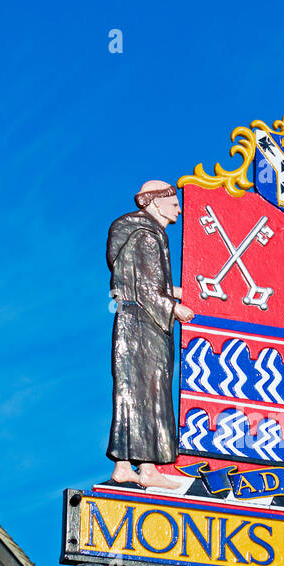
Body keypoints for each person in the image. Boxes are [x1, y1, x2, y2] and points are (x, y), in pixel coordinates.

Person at [104, 181, 194, 489]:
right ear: (155, 203)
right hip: (143, 325)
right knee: (148, 390)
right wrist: (173, 307)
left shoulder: (141, 232)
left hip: (136, 322)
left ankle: (134, 467)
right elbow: (142, 287)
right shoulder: (146, 234)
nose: (179, 209)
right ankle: (142, 469)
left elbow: (138, 278)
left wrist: (173, 291)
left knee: (139, 390)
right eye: (174, 203)